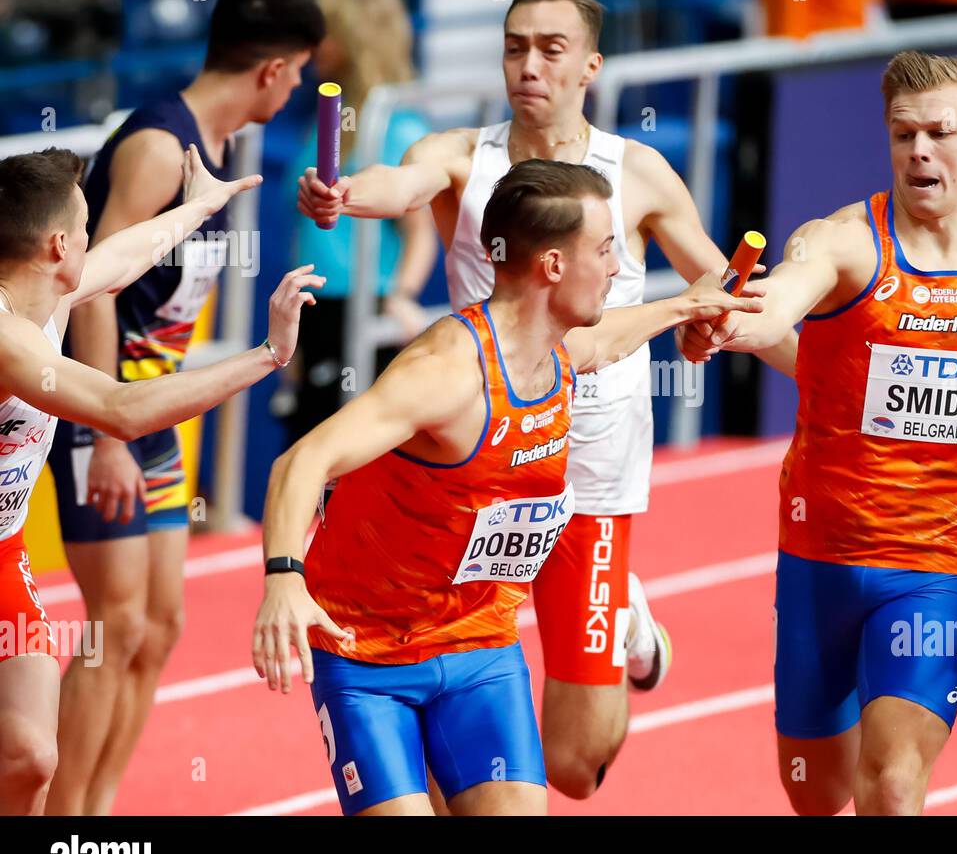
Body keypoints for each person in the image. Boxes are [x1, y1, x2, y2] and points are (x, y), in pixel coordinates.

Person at [296, 0, 797, 800]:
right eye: (514, 46)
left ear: (590, 65)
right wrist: (348, 196)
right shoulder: (465, 155)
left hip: (589, 473)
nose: (528, 64)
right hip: (471, 477)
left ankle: (628, 625)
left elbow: (730, 292)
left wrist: (816, 375)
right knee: (453, 739)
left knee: (575, 767)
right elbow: (400, 183)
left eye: (550, 49)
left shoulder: (637, 174)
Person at [253, 159, 760, 815]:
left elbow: (606, 340)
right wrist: (283, 579)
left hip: (481, 647)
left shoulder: (557, 352)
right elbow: (302, 460)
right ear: (552, 265)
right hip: (370, 655)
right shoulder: (445, 375)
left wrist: (687, 305)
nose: (615, 267)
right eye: (605, 250)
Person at [680, 50, 957, 815]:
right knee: (816, 791)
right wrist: (732, 319)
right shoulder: (842, 241)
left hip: (943, 559)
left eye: (941, 133)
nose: (920, 151)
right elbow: (780, 301)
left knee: (895, 785)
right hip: (820, 554)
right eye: (904, 134)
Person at [44, 0, 325, 816]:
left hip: (153, 406)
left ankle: (95, 812)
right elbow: (93, 285)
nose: (304, 87)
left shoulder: (217, 145)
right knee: (114, 627)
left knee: (158, 628)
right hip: (107, 411)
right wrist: (107, 435)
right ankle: (57, 825)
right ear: (274, 69)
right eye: (303, 70)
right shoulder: (162, 147)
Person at [0, 144, 319, 814]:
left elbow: (124, 255)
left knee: (32, 753)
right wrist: (266, 355)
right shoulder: (9, 337)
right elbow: (124, 411)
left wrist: (200, 206)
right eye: (87, 226)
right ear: (60, 245)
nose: (97, 239)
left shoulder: (49, 291)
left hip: (5, 553)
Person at [278, 0, 435, 445]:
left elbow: (420, 234)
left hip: (364, 311)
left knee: (344, 456)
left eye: (324, 31)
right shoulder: (327, 119)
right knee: (304, 443)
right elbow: (307, 226)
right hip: (314, 307)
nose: (313, 43)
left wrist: (401, 297)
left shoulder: (399, 128)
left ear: (352, 37)